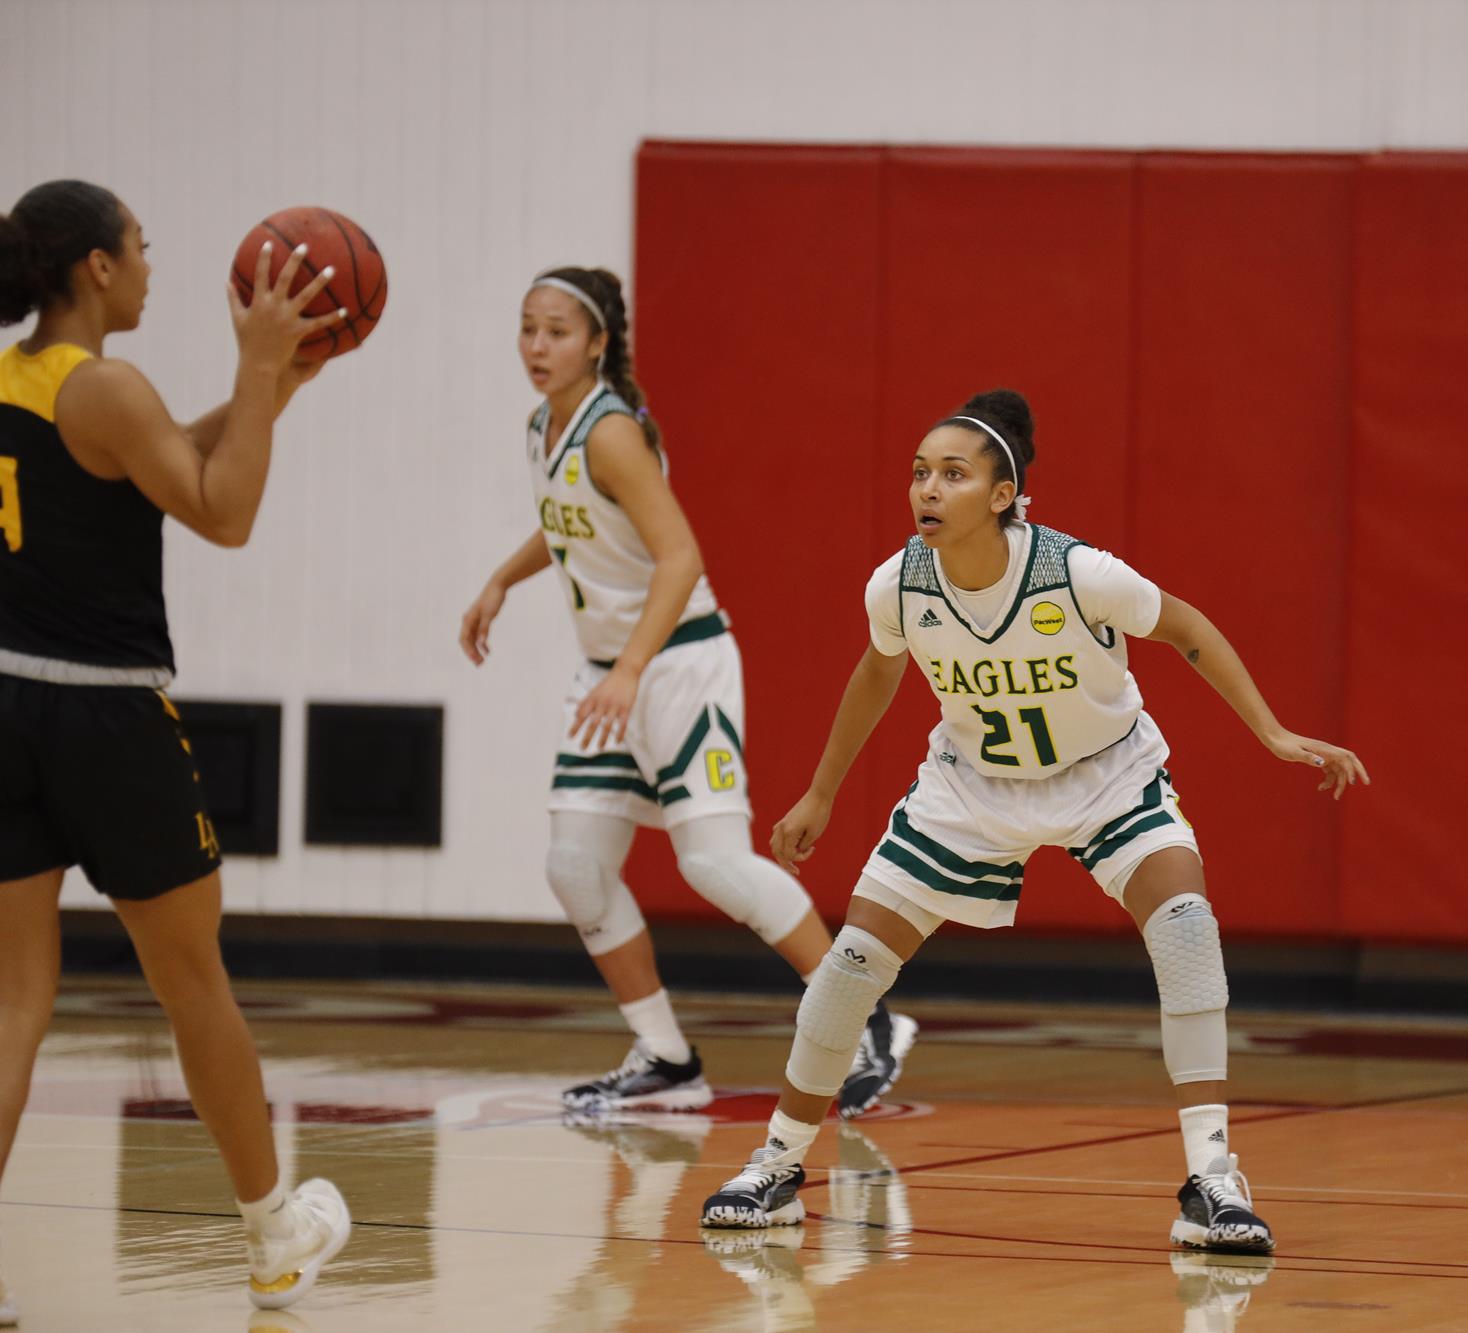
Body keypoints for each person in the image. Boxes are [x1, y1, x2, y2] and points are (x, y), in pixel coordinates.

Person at [699, 389, 1368, 1254]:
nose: (927, 490)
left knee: (1188, 929)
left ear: (1003, 494)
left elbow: (1188, 627)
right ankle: (777, 1166)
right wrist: (822, 791)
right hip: (972, 787)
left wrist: (1271, 731)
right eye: (918, 473)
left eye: (952, 474)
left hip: (1108, 774)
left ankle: (1212, 1180)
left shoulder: (1079, 572)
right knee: (850, 964)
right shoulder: (899, 583)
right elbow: (876, 672)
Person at [0, 179, 351, 1314]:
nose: (152, 265)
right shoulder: (104, 382)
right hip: (104, 716)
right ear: (96, 268)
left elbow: (149, 465)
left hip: (3, 706)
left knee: (12, 998)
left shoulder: (24, 382)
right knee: (192, 983)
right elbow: (220, 509)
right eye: (141, 248)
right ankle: (269, 1236)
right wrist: (255, 368)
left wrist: (272, 391)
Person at [459, 267, 914, 1115]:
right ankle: (667, 1058)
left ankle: (866, 1015)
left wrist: (632, 667)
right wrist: (503, 578)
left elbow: (681, 556)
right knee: (575, 867)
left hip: (676, 664)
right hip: (612, 675)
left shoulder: (610, 434)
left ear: (597, 342)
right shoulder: (544, 426)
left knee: (712, 863)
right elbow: (574, 520)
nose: (536, 346)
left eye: (556, 331)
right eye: (527, 328)